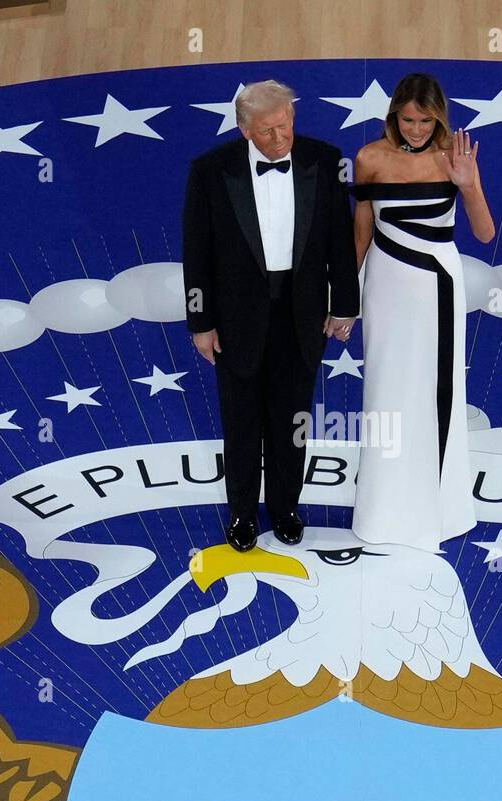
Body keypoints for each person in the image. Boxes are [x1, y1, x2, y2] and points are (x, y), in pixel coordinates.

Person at [182, 80, 360, 552]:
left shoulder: (325, 160)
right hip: (237, 317)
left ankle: (286, 508)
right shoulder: (210, 171)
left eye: (284, 126)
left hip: (302, 314)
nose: (279, 138)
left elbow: (340, 242)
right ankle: (242, 515)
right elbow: (196, 252)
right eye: (266, 131)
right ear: (244, 130)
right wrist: (201, 322)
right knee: (241, 423)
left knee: (291, 420)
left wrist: (345, 304)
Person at [345, 73, 496, 553]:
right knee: (386, 392)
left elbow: (486, 233)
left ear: (439, 117)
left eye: (425, 120)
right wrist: (344, 300)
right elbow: (361, 233)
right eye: (407, 119)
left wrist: (467, 184)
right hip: (385, 288)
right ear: (394, 115)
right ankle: (383, 511)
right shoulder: (369, 159)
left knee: (435, 394)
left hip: (437, 290)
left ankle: (441, 509)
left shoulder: (455, 157)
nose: (415, 129)